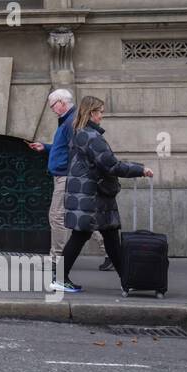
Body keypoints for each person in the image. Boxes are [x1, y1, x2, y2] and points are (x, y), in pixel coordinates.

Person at [57, 95, 153, 293]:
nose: (102, 116)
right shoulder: (90, 137)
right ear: (92, 113)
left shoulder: (81, 133)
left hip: (91, 194)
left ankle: (127, 280)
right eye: (100, 112)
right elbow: (111, 165)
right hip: (91, 195)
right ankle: (60, 278)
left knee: (108, 237)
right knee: (85, 236)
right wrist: (140, 169)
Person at [29, 89, 115, 271]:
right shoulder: (68, 121)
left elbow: (77, 149)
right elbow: (65, 147)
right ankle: (111, 254)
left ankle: (56, 259)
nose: (52, 109)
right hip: (66, 175)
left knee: (57, 216)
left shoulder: (70, 122)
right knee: (86, 217)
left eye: (53, 105)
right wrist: (45, 147)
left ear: (62, 102)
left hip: (66, 176)